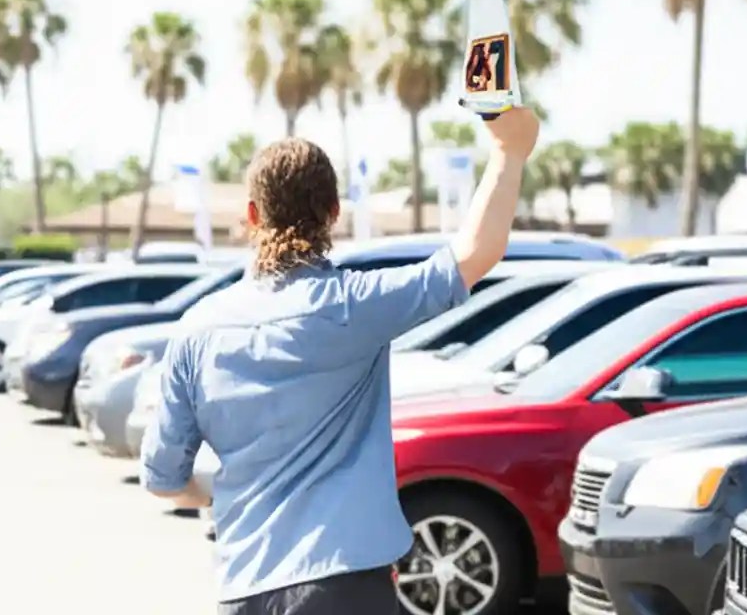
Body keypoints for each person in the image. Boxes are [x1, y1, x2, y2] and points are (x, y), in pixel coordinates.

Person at [139, 107, 539, 614]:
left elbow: (163, 479)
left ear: (253, 216)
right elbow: (474, 254)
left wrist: (220, 493)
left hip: (244, 589)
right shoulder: (355, 306)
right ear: (332, 213)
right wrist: (508, 151)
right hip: (345, 586)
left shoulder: (196, 331)